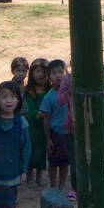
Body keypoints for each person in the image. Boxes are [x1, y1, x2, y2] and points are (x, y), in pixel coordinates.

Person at [41, 60, 73, 195]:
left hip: (69, 132)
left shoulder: (70, 93)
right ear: (49, 77)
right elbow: (46, 119)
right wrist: (48, 139)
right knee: (53, 162)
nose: (58, 76)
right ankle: (53, 185)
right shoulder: (48, 98)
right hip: (55, 134)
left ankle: (61, 186)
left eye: (60, 72)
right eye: (54, 73)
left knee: (65, 162)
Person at [23, 58, 50, 185]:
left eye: (43, 71)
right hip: (33, 125)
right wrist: (40, 114)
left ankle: (39, 175)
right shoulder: (30, 91)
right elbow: (31, 109)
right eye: (37, 71)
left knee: (42, 150)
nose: (40, 74)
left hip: (46, 124)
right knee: (31, 150)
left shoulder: (49, 90)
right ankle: (30, 176)